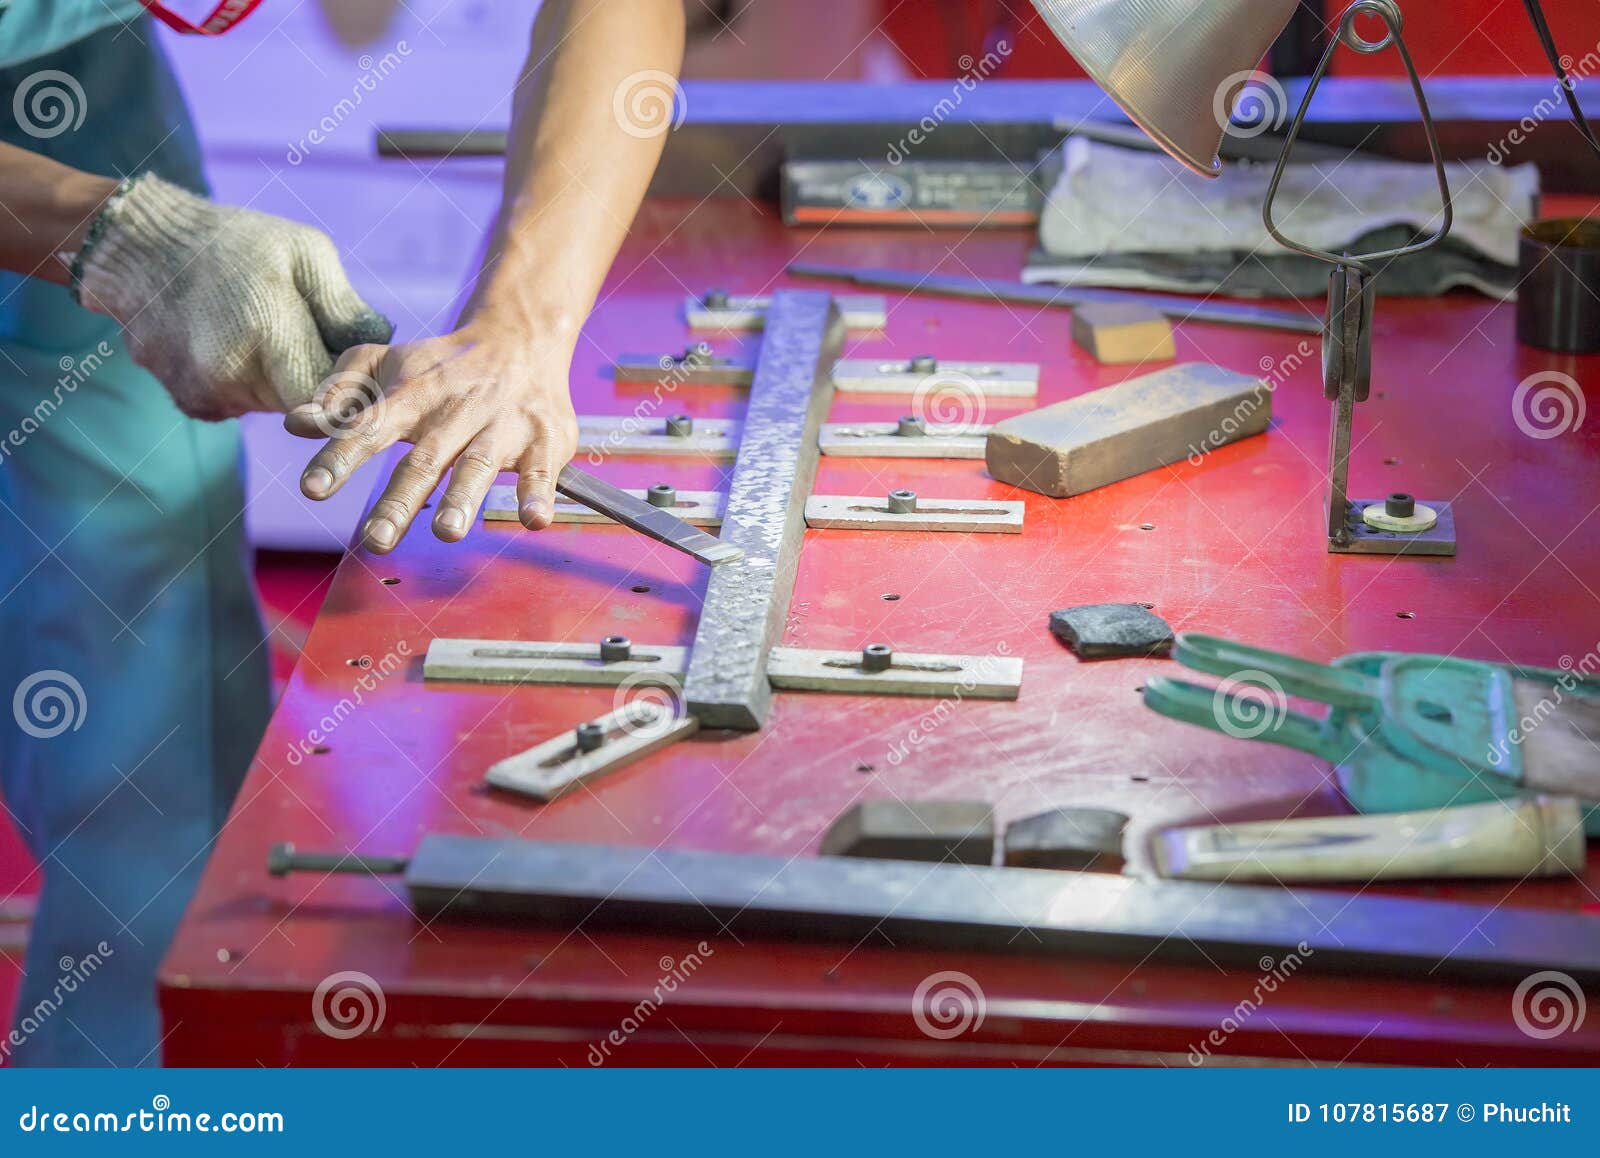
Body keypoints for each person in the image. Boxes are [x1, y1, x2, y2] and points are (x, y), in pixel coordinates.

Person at [0, 0, 685, 1065]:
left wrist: (521, 321)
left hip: (58, 70)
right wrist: (117, 238)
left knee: (148, 680)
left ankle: (119, 1091)